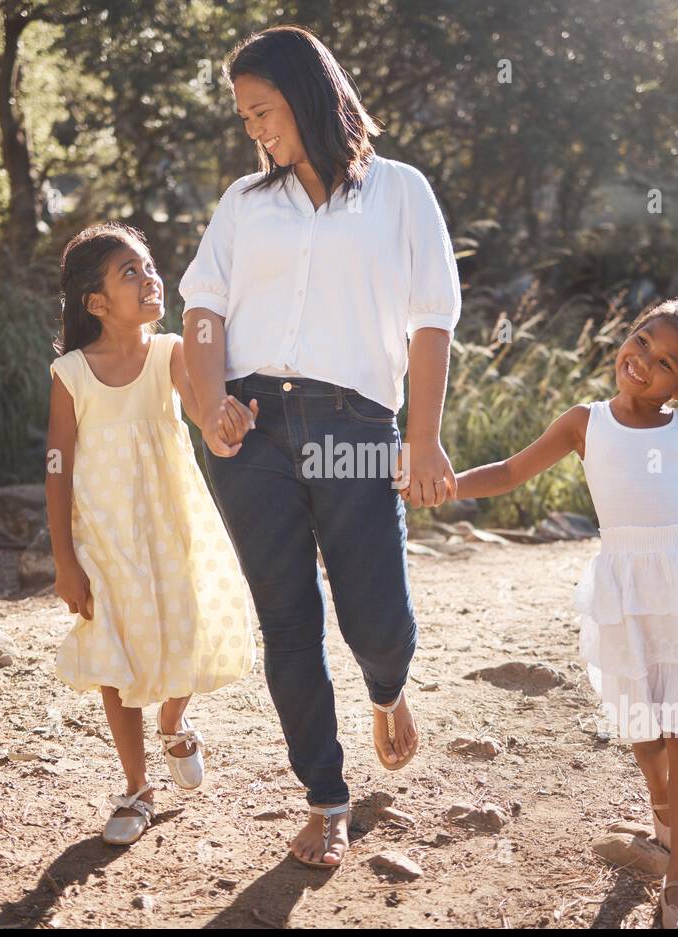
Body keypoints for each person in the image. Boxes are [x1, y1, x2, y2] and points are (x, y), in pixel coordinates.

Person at [179, 26, 462, 869]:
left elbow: (433, 320)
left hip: (356, 427)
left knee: (375, 619)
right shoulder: (243, 204)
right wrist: (208, 404)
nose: (254, 130)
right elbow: (202, 312)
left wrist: (424, 440)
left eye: (262, 110)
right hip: (253, 429)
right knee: (287, 618)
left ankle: (387, 687)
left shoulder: (402, 193)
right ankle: (326, 798)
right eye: (244, 116)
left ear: (307, 96)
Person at [452, 297, 678, 928]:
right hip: (627, 589)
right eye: (643, 341)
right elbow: (511, 472)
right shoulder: (583, 423)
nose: (643, 361)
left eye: (666, 361)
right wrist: (443, 482)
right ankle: (662, 810)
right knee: (642, 729)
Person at [45, 222, 255, 846]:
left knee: (183, 622)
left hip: (170, 520)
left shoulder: (168, 352)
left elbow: (199, 407)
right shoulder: (71, 373)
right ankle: (136, 787)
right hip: (104, 537)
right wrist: (65, 561)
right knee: (114, 649)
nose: (149, 278)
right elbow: (56, 467)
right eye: (129, 272)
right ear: (96, 303)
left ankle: (175, 721)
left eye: (149, 267)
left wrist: (226, 418)